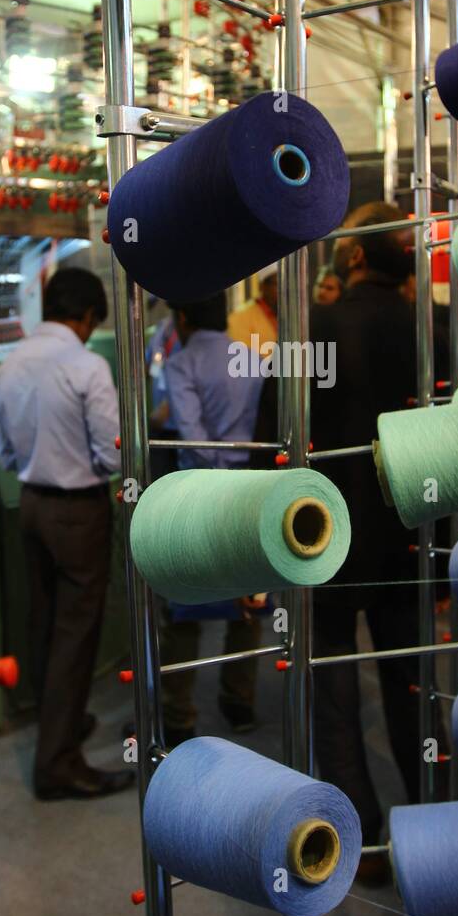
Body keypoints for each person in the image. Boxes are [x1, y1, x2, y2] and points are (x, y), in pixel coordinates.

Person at [309, 202, 452, 883]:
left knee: (333, 685)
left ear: (356, 256)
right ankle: (434, 820)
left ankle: (362, 842)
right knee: (413, 680)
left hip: (324, 536)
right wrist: (446, 558)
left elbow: (271, 448)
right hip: (410, 534)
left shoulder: (316, 327)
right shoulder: (439, 332)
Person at [0, 267, 132, 800]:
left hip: (30, 505)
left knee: (46, 625)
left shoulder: (8, 365)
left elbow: (2, 451)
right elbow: (113, 450)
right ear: (88, 315)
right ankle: (58, 764)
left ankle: (61, 726)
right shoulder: (86, 365)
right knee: (77, 635)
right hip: (77, 511)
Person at [156, 293, 264, 742]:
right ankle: (239, 702)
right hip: (247, 493)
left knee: (183, 606)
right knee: (247, 606)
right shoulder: (253, 357)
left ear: (182, 316)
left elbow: (192, 435)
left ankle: (179, 717)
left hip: (198, 493)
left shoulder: (181, 363)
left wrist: (214, 463)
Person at [227, 265, 278, 355]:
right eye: (277, 284)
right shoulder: (241, 318)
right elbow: (242, 360)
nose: (284, 289)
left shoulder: (288, 316)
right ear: (262, 287)